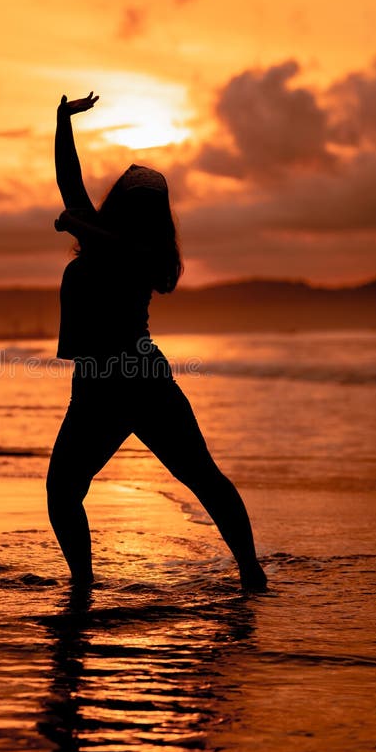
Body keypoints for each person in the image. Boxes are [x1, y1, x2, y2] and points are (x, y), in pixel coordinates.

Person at [47, 91, 267, 592]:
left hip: (138, 379)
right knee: (63, 491)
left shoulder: (142, 252)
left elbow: (116, 248)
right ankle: (83, 585)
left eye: (145, 204)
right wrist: (63, 123)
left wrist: (75, 223)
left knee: (203, 477)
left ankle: (251, 572)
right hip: (98, 384)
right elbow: (68, 180)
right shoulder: (101, 232)